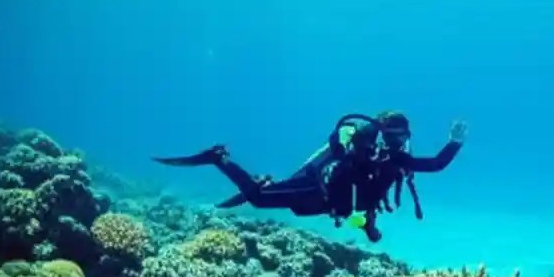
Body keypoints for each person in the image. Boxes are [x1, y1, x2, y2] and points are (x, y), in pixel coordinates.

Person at [152, 111, 466, 243]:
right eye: (392, 137)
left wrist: (455, 141)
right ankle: (218, 158)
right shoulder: (360, 148)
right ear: (380, 134)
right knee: (258, 199)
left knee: (264, 196)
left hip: (326, 205)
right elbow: (340, 153)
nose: (397, 143)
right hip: (314, 190)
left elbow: (435, 165)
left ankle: (263, 180)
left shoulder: (397, 160)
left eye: (402, 137)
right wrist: (348, 140)